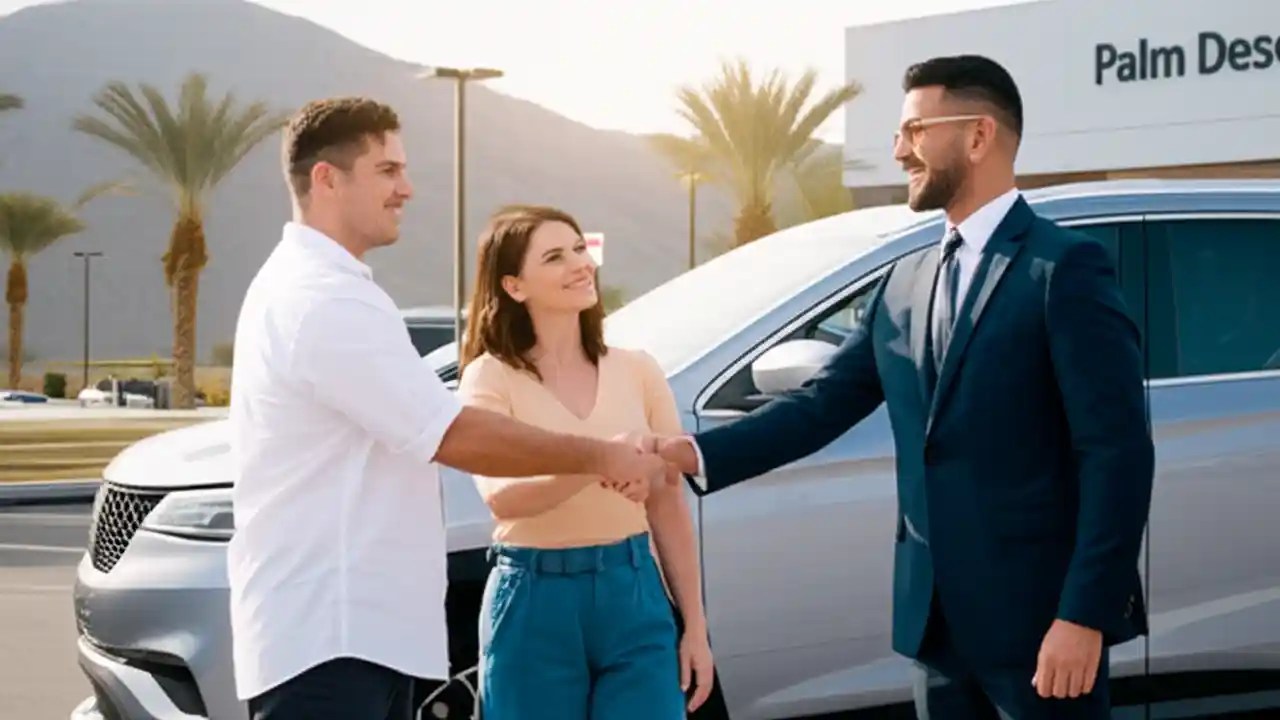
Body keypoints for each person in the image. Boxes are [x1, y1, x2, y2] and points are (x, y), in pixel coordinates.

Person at [648, 55, 1155, 719]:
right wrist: (695, 453)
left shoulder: (1064, 269)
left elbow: (1117, 454)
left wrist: (1084, 616)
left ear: (978, 136)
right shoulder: (905, 281)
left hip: (1042, 628)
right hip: (936, 632)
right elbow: (821, 404)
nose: (898, 151)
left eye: (914, 130)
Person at [226, 98, 668, 720]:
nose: (406, 189)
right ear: (326, 179)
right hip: (330, 639)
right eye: (386, 171)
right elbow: (453, 433)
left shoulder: (332, 289)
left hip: (354, 635)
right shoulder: (319, 299)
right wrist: (600, 454)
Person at [454, 204, 714, 720]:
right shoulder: (490, 377)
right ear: (513, 286)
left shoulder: (638, 370)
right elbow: (502, 498)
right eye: (555, 257)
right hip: (532, 603)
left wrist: (696, 627)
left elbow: (667, 503)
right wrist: (602, 461)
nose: (579, 264)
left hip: (633, 590)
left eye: (579, 249)